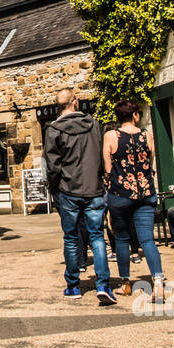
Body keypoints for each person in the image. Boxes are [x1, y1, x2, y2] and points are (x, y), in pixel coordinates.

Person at [44, 88, 115, 304]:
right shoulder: (93, 124)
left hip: (68, 190)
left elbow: (52, 165)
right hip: (93, 188)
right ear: (75, 102)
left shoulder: (53, 129)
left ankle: (73, 285)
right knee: (97, 237)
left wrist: (55, 188)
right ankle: (103, 284)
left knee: (71, 238)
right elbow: (102, 154)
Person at [104, 100, 165, 301]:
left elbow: (107, 168)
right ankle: (157, 281)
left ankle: (125, 283)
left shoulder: (111, 136)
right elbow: (151, 160)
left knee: (121, 239)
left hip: (121, 194)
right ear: (135, 116)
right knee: (147, 239)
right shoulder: (146, 135)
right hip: (146, 193)